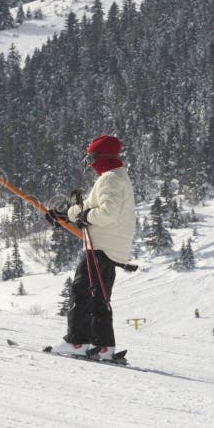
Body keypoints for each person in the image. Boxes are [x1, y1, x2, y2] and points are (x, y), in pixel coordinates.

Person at [44, 135, 136, 360]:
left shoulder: (109, 179)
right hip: (111, 247)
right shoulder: (118, 176)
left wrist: (83, 215)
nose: (90, 162)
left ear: (101, 157)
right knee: (99, 297)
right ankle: (103, 346)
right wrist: (67, 213)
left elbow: (106, 213)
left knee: (81, 291)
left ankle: (77, 342)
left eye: (92, 157)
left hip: (100, 246)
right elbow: (92, 206)